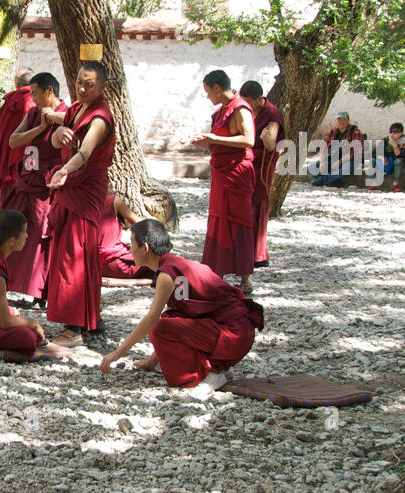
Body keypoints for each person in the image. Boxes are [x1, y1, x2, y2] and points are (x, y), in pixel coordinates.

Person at [100, 219, 264, 397]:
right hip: (240, 334)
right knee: (169, 321)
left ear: (145, 248)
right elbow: (184, 311)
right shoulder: (175, 266)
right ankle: (219, 364)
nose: (129, 251)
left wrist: (116, 354)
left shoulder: (167, 274)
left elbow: (151, 319)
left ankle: (212, 373)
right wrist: (151, 362)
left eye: (132, 245)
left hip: (233, 335)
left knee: (160, 327)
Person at [45, 60, 145, 348]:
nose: (82, 88)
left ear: (102, 86)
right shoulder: (75, 109)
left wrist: (66, 170)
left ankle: (74, 328)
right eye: (79, 82)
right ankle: (91, 320)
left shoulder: (101, 117)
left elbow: (85, 153)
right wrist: (55, 136)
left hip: (84, 187)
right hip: (70, 183)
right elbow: (58, 141)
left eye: (89, 84)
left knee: (74, 255)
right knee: (75, 252)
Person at [0, 209, 67, 362]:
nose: (27, 236)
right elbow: (5, 321)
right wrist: (33, 324)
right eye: (24, 232)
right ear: (11, 241)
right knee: (27, 337)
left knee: (14, 314)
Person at [3, 71, 67, 304]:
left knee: (43, 234)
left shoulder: (66, 113)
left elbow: (80, 125)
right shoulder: (33, 114)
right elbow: (13, 141)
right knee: (15, 228)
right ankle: (10, 280)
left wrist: (53, 120)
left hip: (47, 185)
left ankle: (42, 290)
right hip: (26, 181)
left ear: (50, 91)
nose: (33, 98)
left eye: (36, 93)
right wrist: (40, 128)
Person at [192, 70, 256, 290]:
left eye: (208, 92)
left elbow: (249, 139)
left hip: (237, 172)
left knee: (239, 221)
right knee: (219, 219)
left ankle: (246, 277)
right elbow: (222, 141)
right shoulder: (222, 111)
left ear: (217, 88)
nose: (209, 97)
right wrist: (208, 144)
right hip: (221, 171)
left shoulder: (240, 108)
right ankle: (217, 270)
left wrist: (214, 139)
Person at [239, 80, 282, 281]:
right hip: (245, 162)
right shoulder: (247, 109)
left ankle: (257, 253)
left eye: (250, 102)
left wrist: (266, 139)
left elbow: (272, 145)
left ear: (259, 99)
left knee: (258, 204)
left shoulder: (272, 114)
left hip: (262, 164)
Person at [0, 70, 34, 223]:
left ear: (17, 84)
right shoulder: (31, 100)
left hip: (5, 155)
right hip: (22, 157)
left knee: (8, 195)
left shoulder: (11, 100)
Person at [306, 111, 362, 187]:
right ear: (336, 121)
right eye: (339, 120)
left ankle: (321, 180)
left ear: (348, 120)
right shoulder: (333, 131)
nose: (341, 122)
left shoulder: (354, 131)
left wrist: (340, 161)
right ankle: (334, 182)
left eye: (344, 120)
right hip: (333, 159)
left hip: (349, 160)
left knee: (345, 169)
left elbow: (354, 152)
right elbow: (323, 147)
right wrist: (322, 162)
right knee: (311, 168)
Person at [368, 122, 405, 191]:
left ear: (401, 133)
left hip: (399, 165)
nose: (392, 134)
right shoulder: (386, 140)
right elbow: (375, 152)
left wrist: (395, 146)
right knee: (372, 160)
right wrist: (381, 158)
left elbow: (400, 156)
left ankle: (395, 184)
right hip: (386, 162)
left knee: (398, 161)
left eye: (396, 132)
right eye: (391, 132)